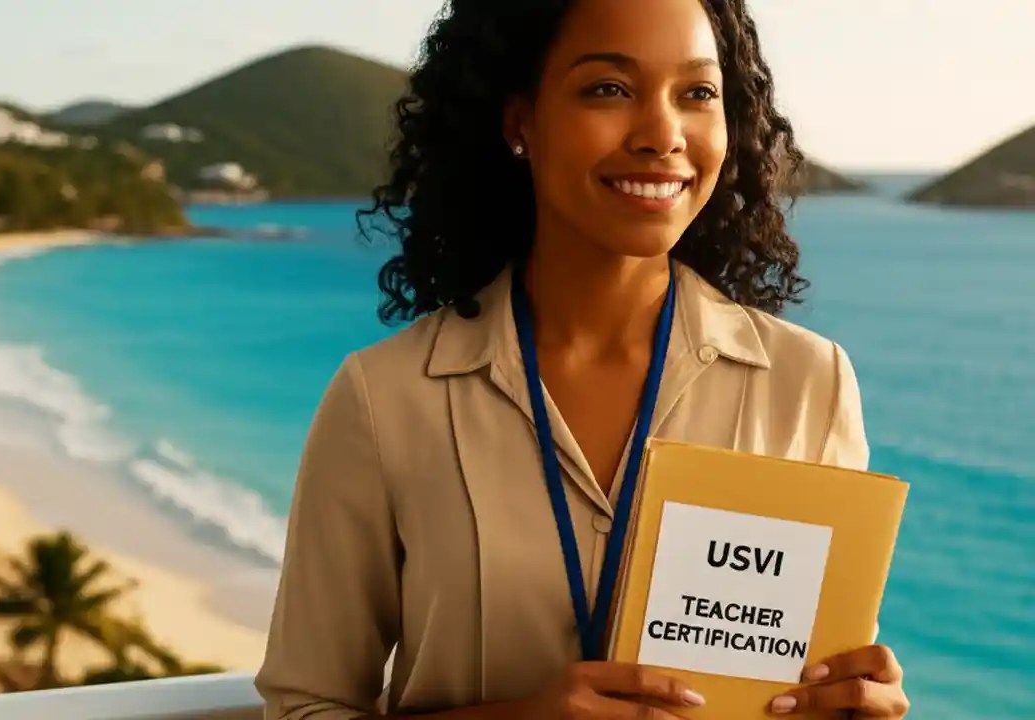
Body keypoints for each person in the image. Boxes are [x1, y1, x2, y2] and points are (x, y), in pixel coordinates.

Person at [255, 0, 911, 717]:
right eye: (609, 89)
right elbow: (302, 707)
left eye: (697, 93)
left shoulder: (810, 384)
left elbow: (810, 682)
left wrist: (854, 703)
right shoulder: (384, 398)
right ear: (519, 123)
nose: (663, 134)